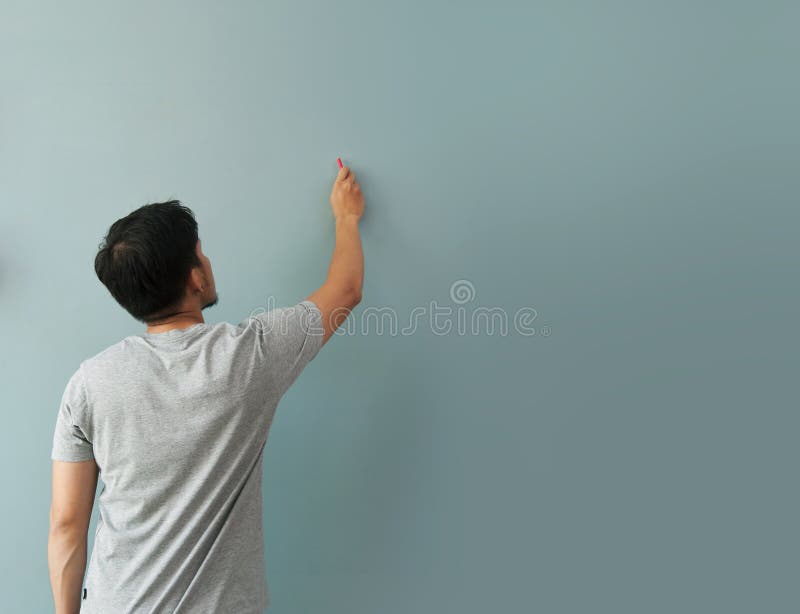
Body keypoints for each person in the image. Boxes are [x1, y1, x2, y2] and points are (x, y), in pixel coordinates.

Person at [48, 164, 365, 613]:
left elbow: (66, 525)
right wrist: (346, 218)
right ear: (195, 276)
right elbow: (346, 290)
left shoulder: (89, 382)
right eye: (202, 253)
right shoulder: (251, 355)